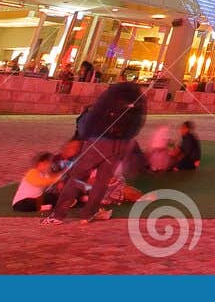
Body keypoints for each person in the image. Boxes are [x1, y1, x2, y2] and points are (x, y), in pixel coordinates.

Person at [44, 81, 147, 225]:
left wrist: (84, 137)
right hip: (119, 146)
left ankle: (58, 215)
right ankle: (88, 214)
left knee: (77, 176)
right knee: (102, 182)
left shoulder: (109, 97)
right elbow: (138, 125)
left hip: (98, 142)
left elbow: (92, 118)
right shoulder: (138, 100)